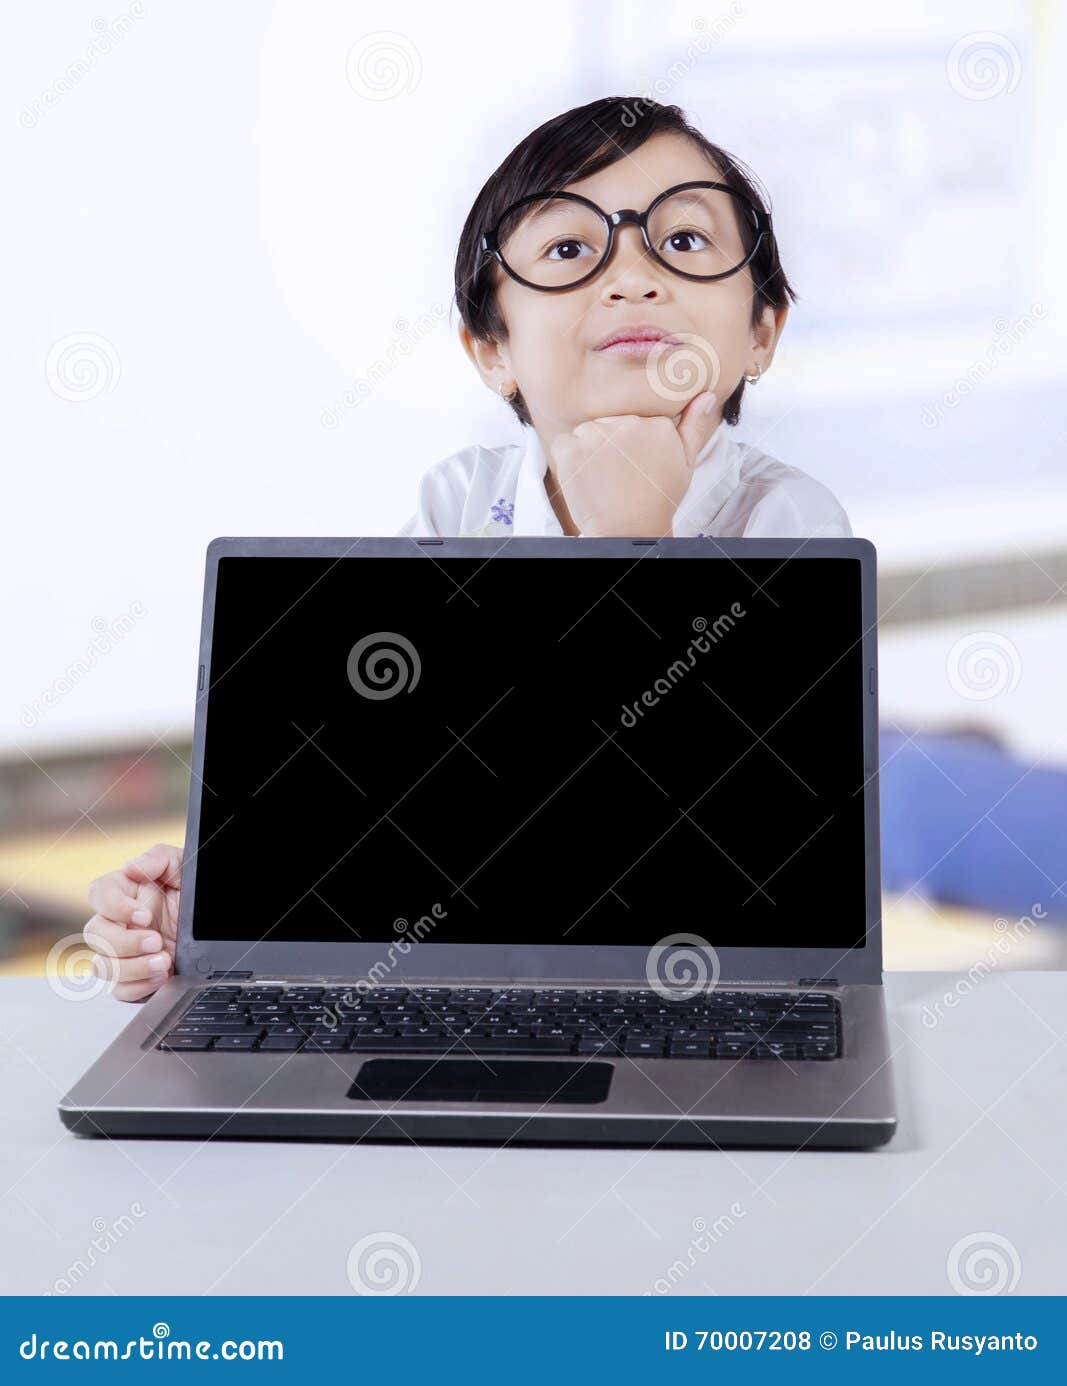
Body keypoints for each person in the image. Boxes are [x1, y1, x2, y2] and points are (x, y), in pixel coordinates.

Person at [82, 95, 848, 999]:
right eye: (568, 249)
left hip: (695, 993)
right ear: (492, 350)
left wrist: (628, 541)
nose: (632, 277)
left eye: (682, 242)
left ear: (761, 331)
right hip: (483, 983)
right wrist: (225, 905)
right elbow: (393, 809)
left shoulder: (787, 525)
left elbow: (721, 863)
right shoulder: (456, 503)